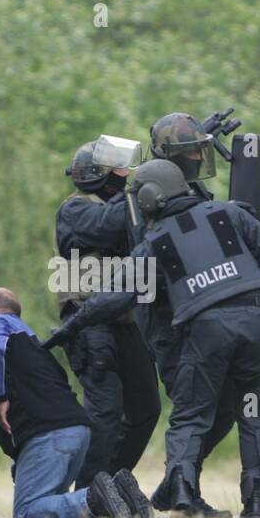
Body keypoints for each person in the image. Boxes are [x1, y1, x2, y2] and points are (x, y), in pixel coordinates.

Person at [47, 160, 260, 518]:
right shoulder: (229, 214)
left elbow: (116, 295)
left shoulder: (156, 242)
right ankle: (254, 506)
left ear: (148, 199)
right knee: (255, 414)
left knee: (191, 416)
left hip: (205, 331)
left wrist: (71, 326)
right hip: (256, 326)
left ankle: (181, 493)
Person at [0, 287, 150, 518]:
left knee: (27, 515)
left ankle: (93, 497)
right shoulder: (32, 343)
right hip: (77, 430)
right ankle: (122, 495)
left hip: (49, 435)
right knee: (54, 512)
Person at [54, 139, 160, 488]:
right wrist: (143, 187)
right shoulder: (76, 209)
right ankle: (86, 495)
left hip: (126, 322)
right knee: (105, 413)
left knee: (146, 409)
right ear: (99, 175)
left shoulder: (126, 208)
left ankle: (109, 485)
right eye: (120, 171)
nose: (126, 176)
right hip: (88, 323)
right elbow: (105, 225)